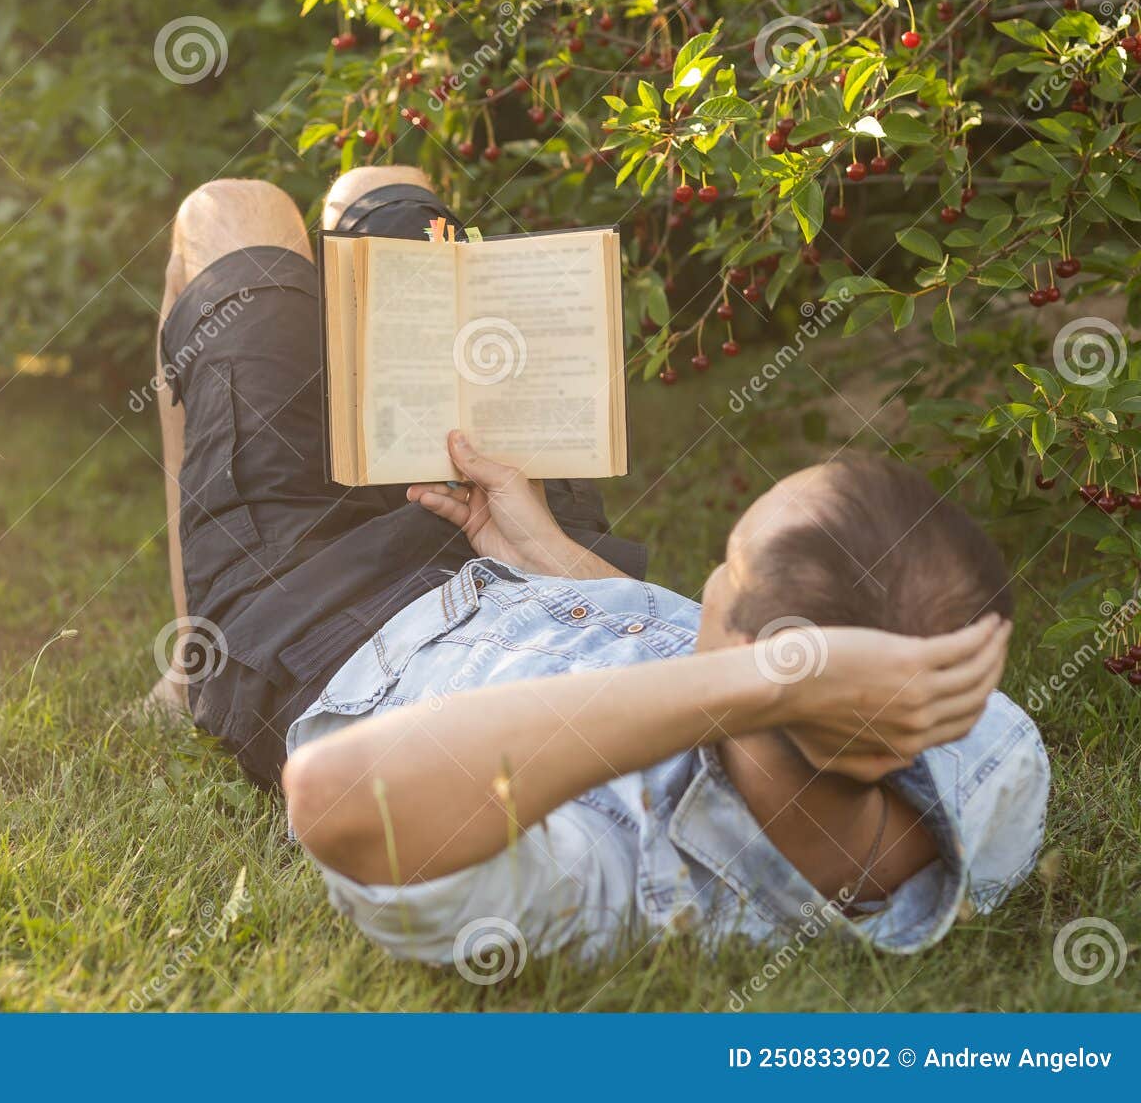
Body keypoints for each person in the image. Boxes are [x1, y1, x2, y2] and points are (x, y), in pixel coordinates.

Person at [151, 168, 1049, 965]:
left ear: (747, 671)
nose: (702, 581)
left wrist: (751, 688)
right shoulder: (990, 749)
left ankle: (197, 671)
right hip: (517, 550)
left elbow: (338, 796)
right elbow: (690, 648)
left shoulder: (621, 872)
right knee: (384, 196)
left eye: (724, 571)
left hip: (330, 625)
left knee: (231, 215)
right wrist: (538, 549)